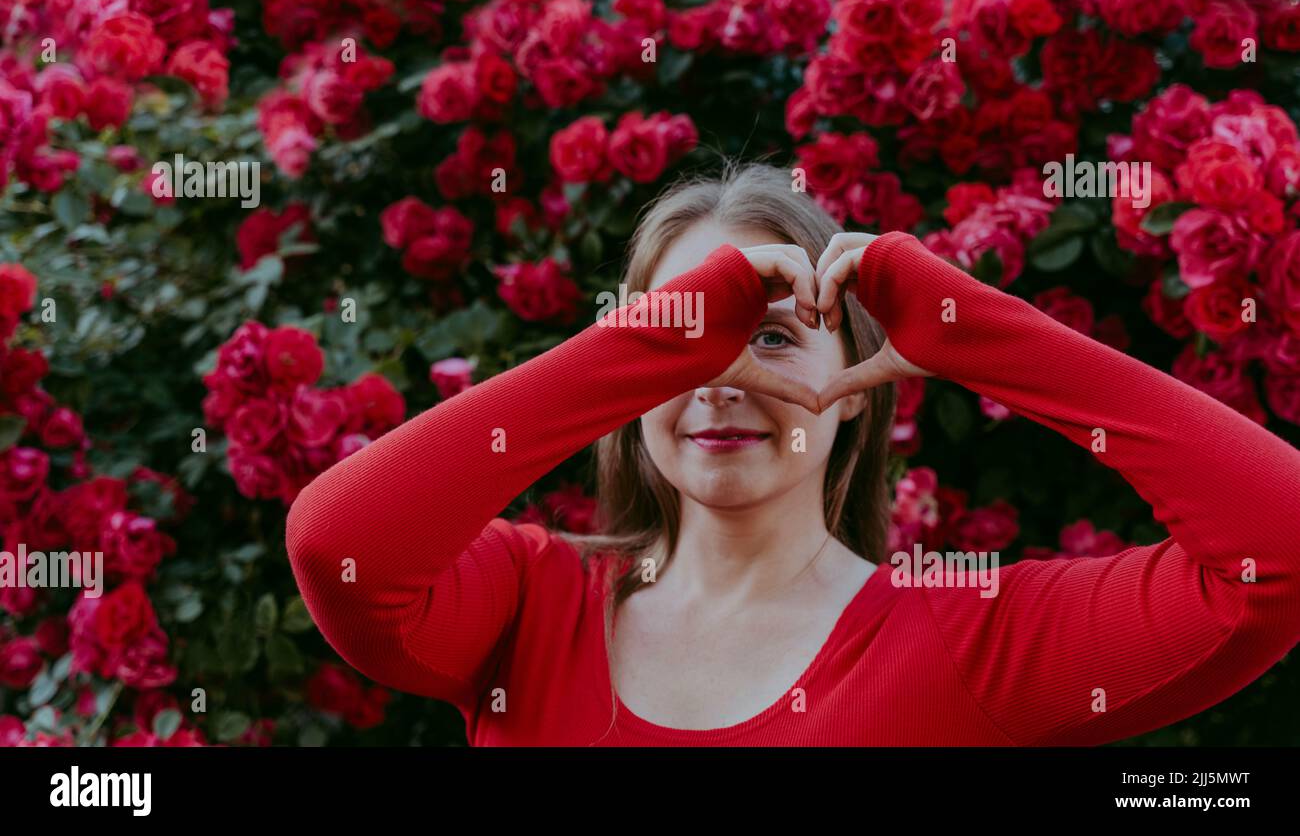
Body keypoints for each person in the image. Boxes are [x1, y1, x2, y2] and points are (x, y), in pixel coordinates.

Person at [285, 161, 1300, 745]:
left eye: (771, 335)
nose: (719, 378)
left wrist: (976, 330)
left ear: (857, 388)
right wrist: (647, 348)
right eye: (684, 337)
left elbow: (1279, 549)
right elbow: (341, 545)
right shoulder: (527, 601)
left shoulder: (969, 638)